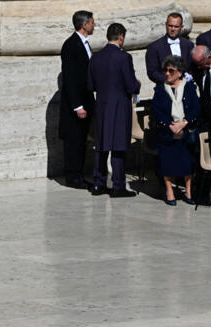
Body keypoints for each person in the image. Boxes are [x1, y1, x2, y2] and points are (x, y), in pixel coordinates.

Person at [89, 23, 141, 198]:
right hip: (119, 106)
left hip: (102, 105)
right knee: (118, 147)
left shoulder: (96, 58)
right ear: (121, 37)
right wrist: (137, 85)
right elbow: (130, 84)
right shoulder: (123, 57)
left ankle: (99, 183)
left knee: (101, 146)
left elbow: (91, 85)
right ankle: (118, 186)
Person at [151, 55, 200, 205]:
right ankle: (170, 191)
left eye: (171, 71)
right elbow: (156, 110)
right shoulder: (160, 89)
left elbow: (196, 108)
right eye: (165, 70)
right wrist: (170, 125)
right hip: (167, 132)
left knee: (187, 163)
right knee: (168, 163)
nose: (167, 73)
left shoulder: (190, 88)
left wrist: (184, 123)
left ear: (179, 72)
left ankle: (189, 191)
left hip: (185, 131)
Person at [60, 10, 96, 189]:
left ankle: (79, 175)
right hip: (77, 105)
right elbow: (70, 79)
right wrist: (78, 106)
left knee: (82, 141)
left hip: (87, 100)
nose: (94, 25)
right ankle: (73, 177)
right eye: (92, 22)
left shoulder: (84, 44)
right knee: (74, 141)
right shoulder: (71, 45)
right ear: (84, 24)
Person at [146, 13, 195, 84]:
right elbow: (152, 72)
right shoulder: (154, 47)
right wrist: (170, 81)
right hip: (164, 89)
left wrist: (190, 77)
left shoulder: (189, 45)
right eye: (170, 26)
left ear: (181, 27)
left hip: (187, 88)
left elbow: (193, 67)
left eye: (176, 26)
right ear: (166, 25)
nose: (173, 29)